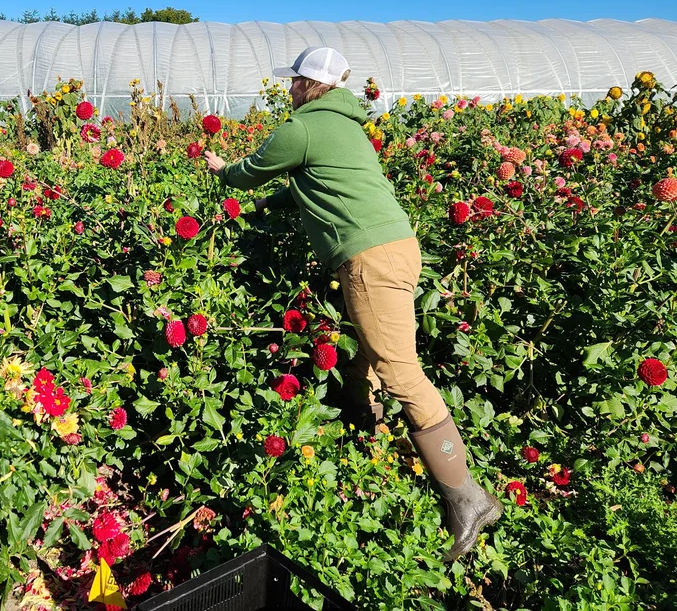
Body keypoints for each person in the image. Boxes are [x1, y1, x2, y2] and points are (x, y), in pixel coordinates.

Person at [203, 47, 502, 562]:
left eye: (294, 81)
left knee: (402, 371)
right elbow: (313, 184)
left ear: (307, 85)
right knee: (372, 353)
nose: (289, 89)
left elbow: (251, 170)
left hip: (368, 258)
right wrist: (264, 206)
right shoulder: (346, 126)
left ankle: (466, 497)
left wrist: (222, 172)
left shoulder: (302, 126)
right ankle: (370, 431)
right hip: (398, 247)